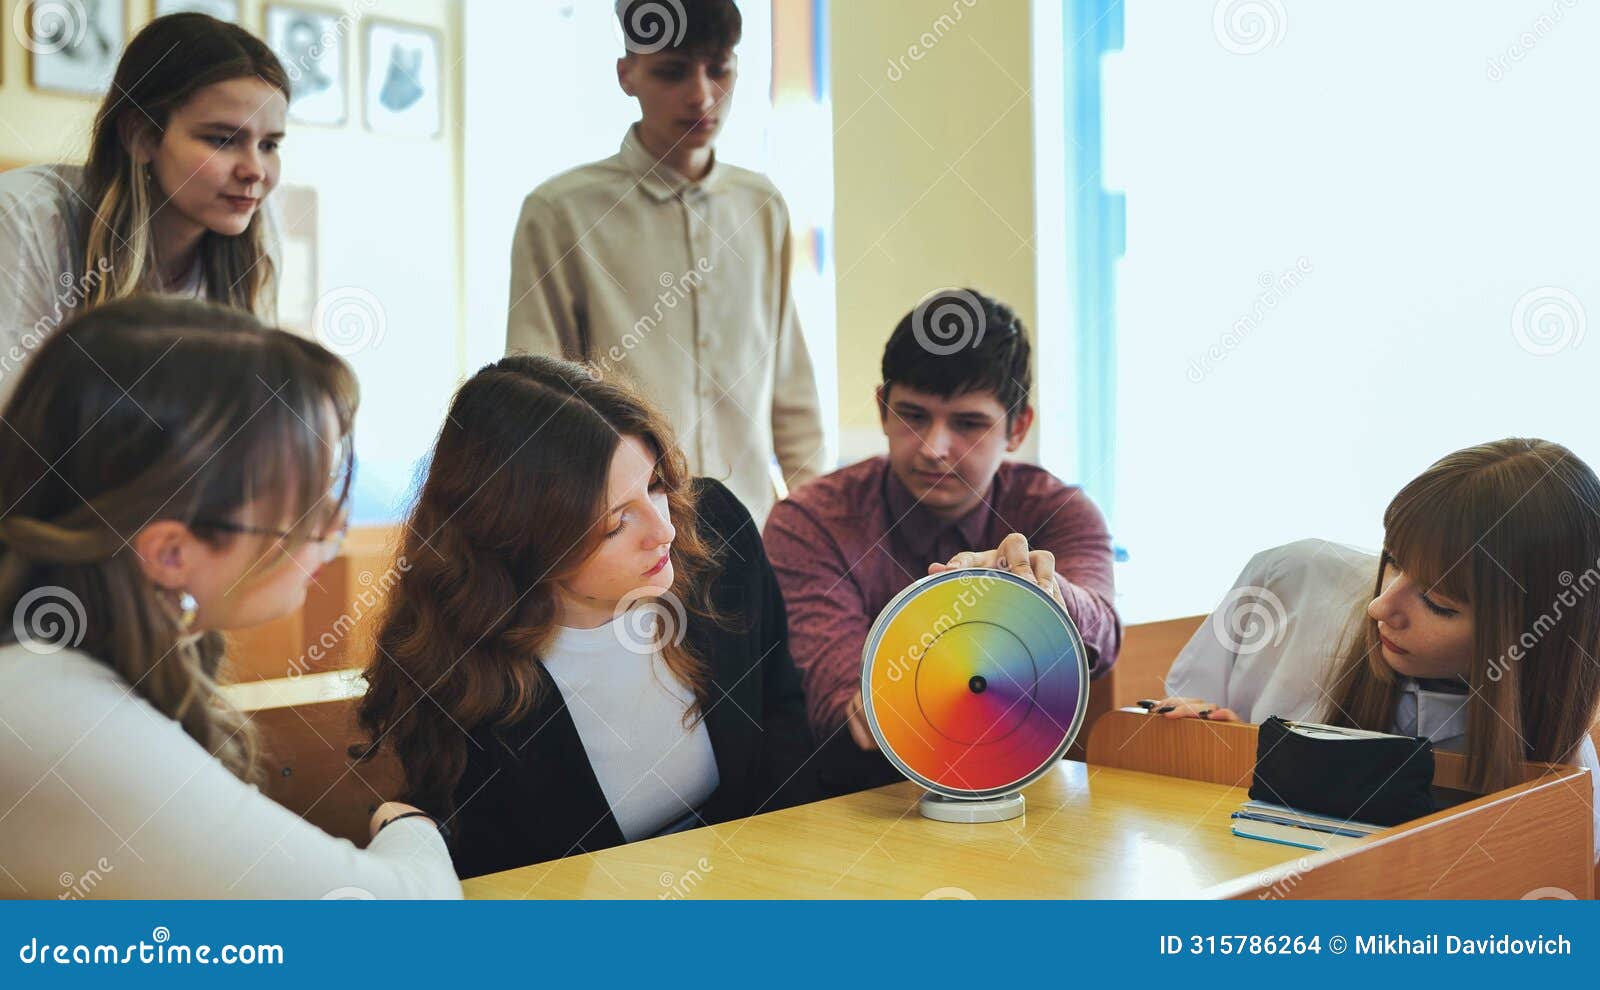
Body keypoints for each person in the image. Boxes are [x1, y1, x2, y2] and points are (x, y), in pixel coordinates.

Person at [0, 298, 460, 898]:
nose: (333, 527)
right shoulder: (57, 714)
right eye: (307, 503)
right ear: (171, 553)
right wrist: (411, 826)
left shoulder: (49, 665)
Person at [357, 355, 817, 878]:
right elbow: (504, 878)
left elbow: (782, 717)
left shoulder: (717, 530)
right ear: (522, 540)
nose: (663, 530)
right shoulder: (459, 678)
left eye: (656, 486)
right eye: (616, 523)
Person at [1157, 438, 1600, 858]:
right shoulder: (1291, 580)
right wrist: (1227, 748)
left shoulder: (1567, 794)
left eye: (1438, 603)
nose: (1380, 607)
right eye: (1393, 561)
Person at [763, 288, 1122, 794]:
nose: (933, 448)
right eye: (913, 416)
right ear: (883, 410)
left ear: (1018, 427)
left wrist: (1043, 595)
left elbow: (1104, 637)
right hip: (862, 799)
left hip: (1027, 796)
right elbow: (840, 703)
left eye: (968, 423)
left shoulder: (1060, 511)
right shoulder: (810, 522)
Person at [505, 0, 824, 527]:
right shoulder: (561, 212)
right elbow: (536, 404)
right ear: (626, 74)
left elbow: (791, 389)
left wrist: (815, 526)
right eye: (673, 72)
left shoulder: (761, 206)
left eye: (719, 69)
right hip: (622, 531)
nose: (701, 95)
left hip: (752, 527)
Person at [0, 13, 286, 407]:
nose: (255, 171)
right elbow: (15, 422)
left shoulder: (254, 223)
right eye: (222, 140)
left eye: (269, 145)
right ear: (141, 136)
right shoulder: (24, 217)